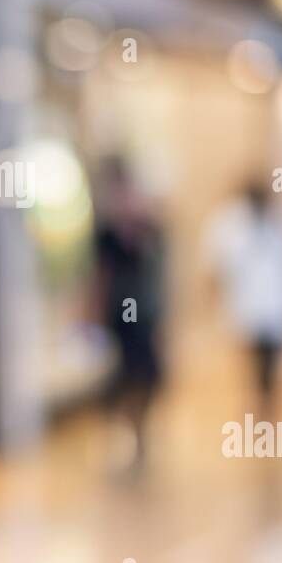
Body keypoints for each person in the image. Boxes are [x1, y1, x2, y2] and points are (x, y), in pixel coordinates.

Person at [203, 183, 282, 415]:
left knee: (273, 359)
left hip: (278, 304)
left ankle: (268, 401)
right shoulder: (230, 223)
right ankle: (261, 401)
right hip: (248, 306)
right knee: (255, 360)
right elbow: (218, 263)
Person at [94, 157, 165, 472]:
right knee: (119, 376)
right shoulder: (107, 236)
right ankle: (122, 433)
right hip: (118, 317)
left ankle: (140, 434)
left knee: (148, 376)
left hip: (143, 316)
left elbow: (159, 273)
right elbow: (99, 277)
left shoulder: (149, 231)